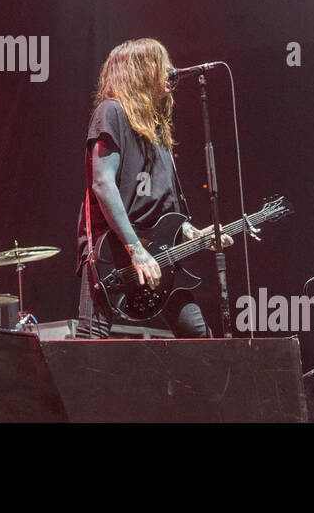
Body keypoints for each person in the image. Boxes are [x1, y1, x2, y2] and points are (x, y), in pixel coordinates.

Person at [73, 38, 230, 339]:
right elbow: (103, 184)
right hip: (114, 248)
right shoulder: (111, 113)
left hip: (157, 251)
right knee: (92, 342)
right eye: (161, 64)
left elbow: (163, 205)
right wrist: (136, 250)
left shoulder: (156, 129)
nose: (170, 71)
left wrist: (191, 233)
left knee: (198, 335)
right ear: (139, 71)